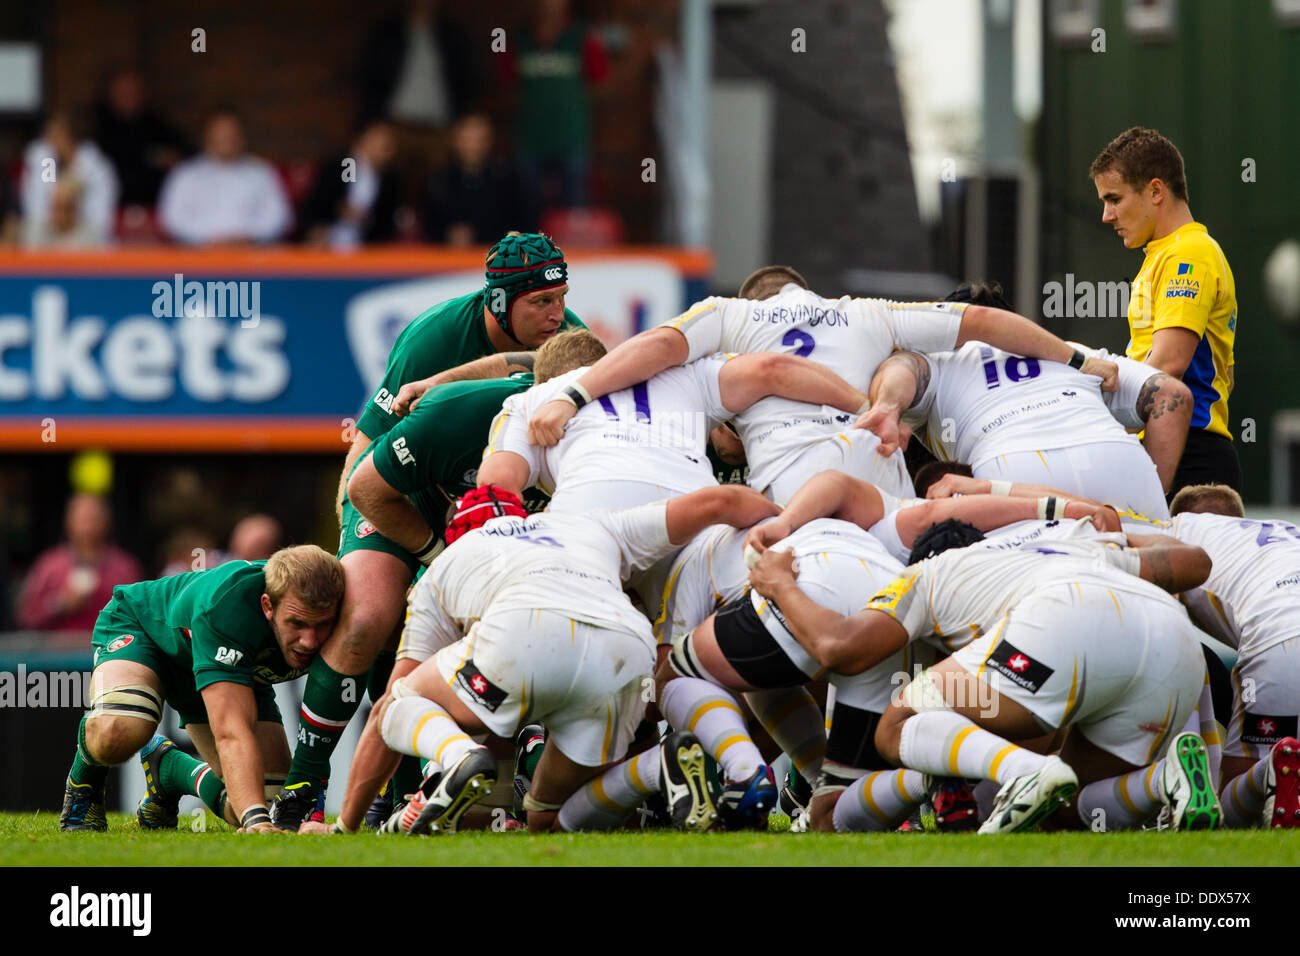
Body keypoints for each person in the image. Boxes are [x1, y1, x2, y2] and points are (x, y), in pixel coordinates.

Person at [272, 273, 591, 830]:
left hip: (488, 524)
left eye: (562, 300)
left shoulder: (580, 380)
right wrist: (428, 549)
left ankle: (429, 795)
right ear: (499, 302)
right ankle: (303, 787)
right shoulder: (453, 382)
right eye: (541, 301)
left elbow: (522, 365)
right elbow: (364, 483)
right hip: (403, 495)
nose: (557, 313)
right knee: (369, 615)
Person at [748, 518, 1220, 833]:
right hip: (1174, 643)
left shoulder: (927, 574)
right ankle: (1165, 782)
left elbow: (841, 648)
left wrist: (780, 584)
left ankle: (1023, 773)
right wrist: (1126, 533)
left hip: (1066, 615)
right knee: (1065, 810)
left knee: (894, 725)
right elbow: (1196, 563)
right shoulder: (1070, 542)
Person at [369, 483, 779, 835]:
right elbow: (721, 501)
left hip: (526, 637)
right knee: (550, 810)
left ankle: (458, 757)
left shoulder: (455, 560)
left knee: (410, 701)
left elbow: (393, 702)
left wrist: (351, 820)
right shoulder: (581, 522)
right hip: (633, 640)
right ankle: (662, 764)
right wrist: (797, 525)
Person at [527, 265, 1119, 506]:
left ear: (752, 297)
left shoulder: (728, 315)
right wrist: (1075, 356)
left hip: (790, 475)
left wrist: (571, 395)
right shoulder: (867, 310)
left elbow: (653, 347)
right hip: (872, 461)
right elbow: (982, 321)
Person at [58, 545, 344, 832]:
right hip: (144, 628)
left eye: (321, 625)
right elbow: (231, 730)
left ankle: (171, 770)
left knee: (272, 805)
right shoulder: (230, 605)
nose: (309, 641)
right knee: (119, 730)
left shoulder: (352, 618)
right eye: (297, 623)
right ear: (268, 606)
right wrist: (255, 821)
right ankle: (85, 784)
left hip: (229, 666)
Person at [1090, 126, 1241, 496]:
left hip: (1192, 451)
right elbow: (1228, 375)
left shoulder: (1188, 253)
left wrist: (1092, 416)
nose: (1107, 216)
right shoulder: (1163, 255)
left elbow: (1168, 364)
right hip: (1175, 443)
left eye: (1114, 199)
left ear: (1156, 191)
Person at [157, 109, 292, 245]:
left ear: (242, 137)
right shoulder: (185, 174)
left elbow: (279, 217)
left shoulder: (262, 172)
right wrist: (210, 239)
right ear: (206, 136)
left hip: (253, 255)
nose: (226, 139)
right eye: (219, 133)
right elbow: (172, 219)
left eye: (231, 133)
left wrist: (246, 237)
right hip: (196, 256)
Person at [18, 494, 142, 632]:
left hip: (112, 650)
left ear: (108, 521)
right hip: (58, 651)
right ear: (68, 522)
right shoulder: (50, 566)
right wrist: (59, 604)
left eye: (94, 518)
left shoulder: (124, 567)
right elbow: (27, 615)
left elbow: (141, 617)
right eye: (83, 519)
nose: (88, 526)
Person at [425, 113, 534, 245]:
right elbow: (428, 226)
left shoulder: (507, 181)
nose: (474, 147)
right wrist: (447, 235)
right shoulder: (439, 180)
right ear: (455, 141)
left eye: (480, 140)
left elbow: (522, 227)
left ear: (490, 142)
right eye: (467, 139)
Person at [93, 66, 191, 209]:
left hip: (154, 208)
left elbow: (184, 158)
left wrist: (170, 159)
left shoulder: (158, 125)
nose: (129, 96)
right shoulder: (96, 126)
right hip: (109, 209)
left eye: (133, 91)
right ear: (110, 93)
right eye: (123, 91)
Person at [21, 112, 119, 247]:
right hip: (49, 234)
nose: (52, 141)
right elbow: (36, 209)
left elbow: (101, 218)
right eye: (49, 135)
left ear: (72, 137)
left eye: (58, 135)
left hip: (84, 233)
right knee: (32, 231)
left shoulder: (96, 165)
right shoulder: (45, 160)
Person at [300, 120, 401, 248]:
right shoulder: (345, 165)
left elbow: (387, 220)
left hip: (366, 246)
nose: (386, 148)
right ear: (362, 139)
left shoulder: (389, 179)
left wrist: (368, 219)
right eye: (380, 141)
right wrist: (340, 209)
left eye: (389, 144)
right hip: (328, 240)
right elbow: (320, 203)